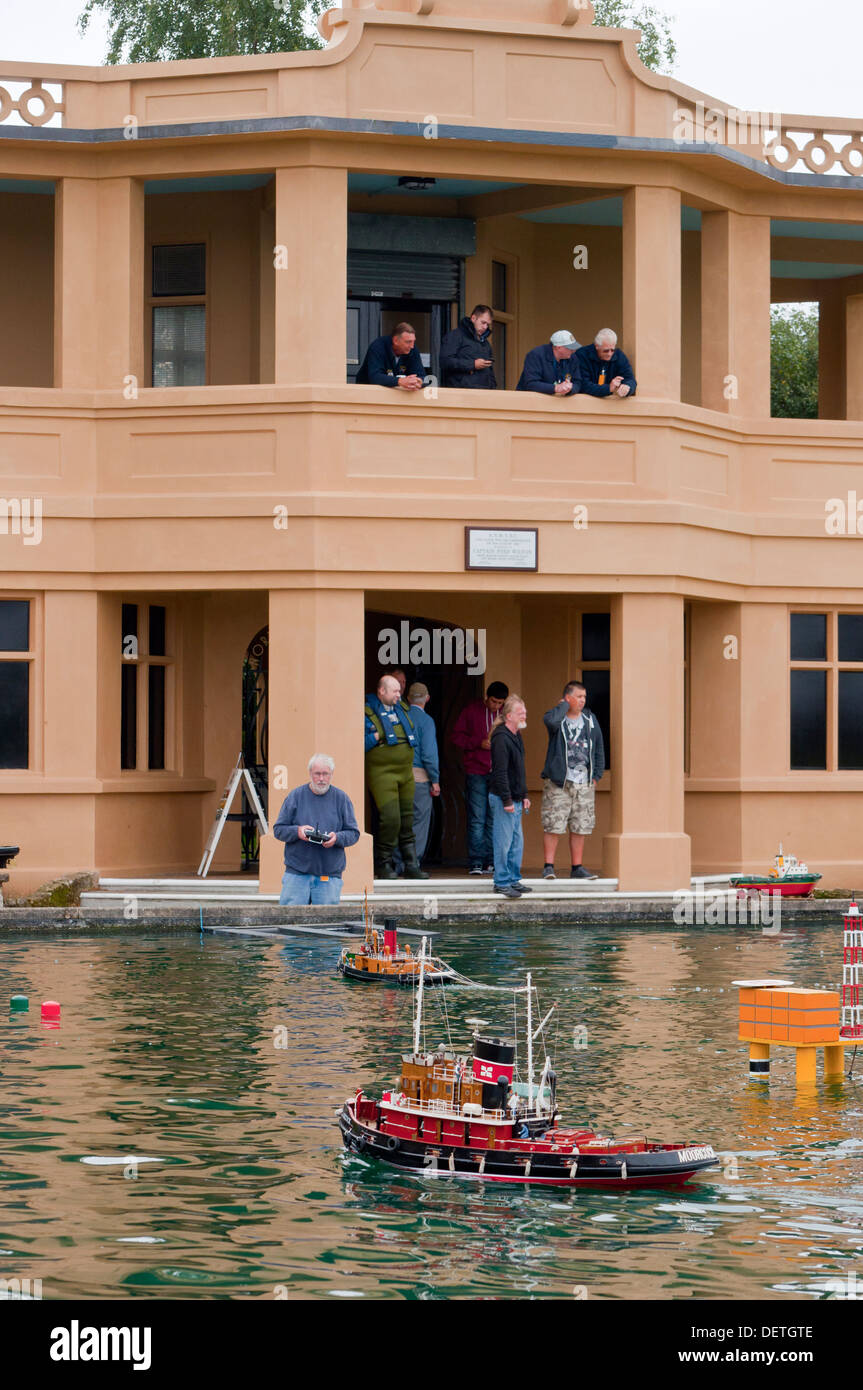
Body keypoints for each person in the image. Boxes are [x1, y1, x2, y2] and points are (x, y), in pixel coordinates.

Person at [364, 674, 429, 880]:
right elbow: (358, 744)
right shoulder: (366, 712)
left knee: (407, 819)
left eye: (400, 691)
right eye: (395, 691)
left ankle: (411, 864)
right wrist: (377, 735)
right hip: (383, 774)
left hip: (405, 773)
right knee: (391, 819)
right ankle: (383, 863)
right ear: (382, 691)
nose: (400, 694)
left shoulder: (404, 711)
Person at [273, 754, 360, 905]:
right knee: (291, 923)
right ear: (310, 774)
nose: (321, 778)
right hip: (297, 873)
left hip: (329, 874)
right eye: (317, 774)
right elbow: (278, 829)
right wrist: (298, 831)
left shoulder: (341, 798)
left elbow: (354, 833)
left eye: (325, 774)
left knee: (327, 925)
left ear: (331, 774)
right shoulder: (295, 796)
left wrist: (337, 838)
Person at [540, 681, 606, 880]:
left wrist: (596, 776)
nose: (582, 700)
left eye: (584, 697)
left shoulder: (590, 720)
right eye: (578, 696)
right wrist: (562, 706)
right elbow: (550, 723)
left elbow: (599, 748)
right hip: (559, 781)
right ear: (567, 698)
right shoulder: (555, 717)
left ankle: (577, 867)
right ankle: (548, 866)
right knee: (553, 824)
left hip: (584, 782)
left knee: (580, 826)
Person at [451, 680, 509, 875]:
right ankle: (476, 860)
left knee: (494, 818)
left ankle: (490, 860)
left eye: (501, 703)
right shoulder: (471, 711)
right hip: (476, 770)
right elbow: (456, 736)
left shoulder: (505, 716)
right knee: (478, 818)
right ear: (487, 697)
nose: (497, 706)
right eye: (494, 702)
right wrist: (478, 743)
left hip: (497, 773)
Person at [488, 695, 532, 899]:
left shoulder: (517, 735)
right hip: (503, 799)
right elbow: (500, 772)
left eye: (524, 711)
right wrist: (506, 800)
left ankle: (513, 878)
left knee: (516, 843)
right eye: (520, 711)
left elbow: (519, 770)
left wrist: (523, 795)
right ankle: (502, 881)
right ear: (508, 716)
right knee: (503, 842)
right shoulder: (501, 737)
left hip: (515, 798)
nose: (524, 714)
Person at [399, 683, 441, 864]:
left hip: (397, 776)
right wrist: (435, 780)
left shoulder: (400, 716)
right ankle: (412, 862)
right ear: (427, 698)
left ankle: (396, 861)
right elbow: (429, 755)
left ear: (408, 698)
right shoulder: (427, 721)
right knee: (419, 821)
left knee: (400, 819)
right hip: (419, 777)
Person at [440, 305, 497, 389]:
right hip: (460, 393)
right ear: (473, 318)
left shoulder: (485, 343)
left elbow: (490, 371)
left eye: (488, 324)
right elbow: (445, 361)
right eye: (483, 322)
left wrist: (493, 388)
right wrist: (473, 364)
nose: (485, 327)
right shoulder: (456, 335)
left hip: (484, 393)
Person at [356, 323, 425, 390]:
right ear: (395, 340)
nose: (412, 346)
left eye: (413, 341)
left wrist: (418, 381)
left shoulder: (412, 350)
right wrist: (400, 381)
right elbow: (375, 377)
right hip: (369, 394)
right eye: (408, 342)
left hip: (399, 396)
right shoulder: (378, 347)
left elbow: (421, 375)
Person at [516, 330, 582, 396]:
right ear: (558, 347)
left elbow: (578, 382)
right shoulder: (536, 355)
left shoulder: (572, 358)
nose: (573, 350)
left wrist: (570, 388)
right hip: (531, 401)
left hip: (558, 402)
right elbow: (531, 384)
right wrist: (555, 388)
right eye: (570, 348)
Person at [576, 329, 637, 399]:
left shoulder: (619, 356)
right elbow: (583, 385)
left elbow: (630, 379)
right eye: (606, 351)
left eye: (612, 350)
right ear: (596, 346)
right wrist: (608, 388)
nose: (609, 354)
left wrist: (627, 387)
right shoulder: (582, 355)